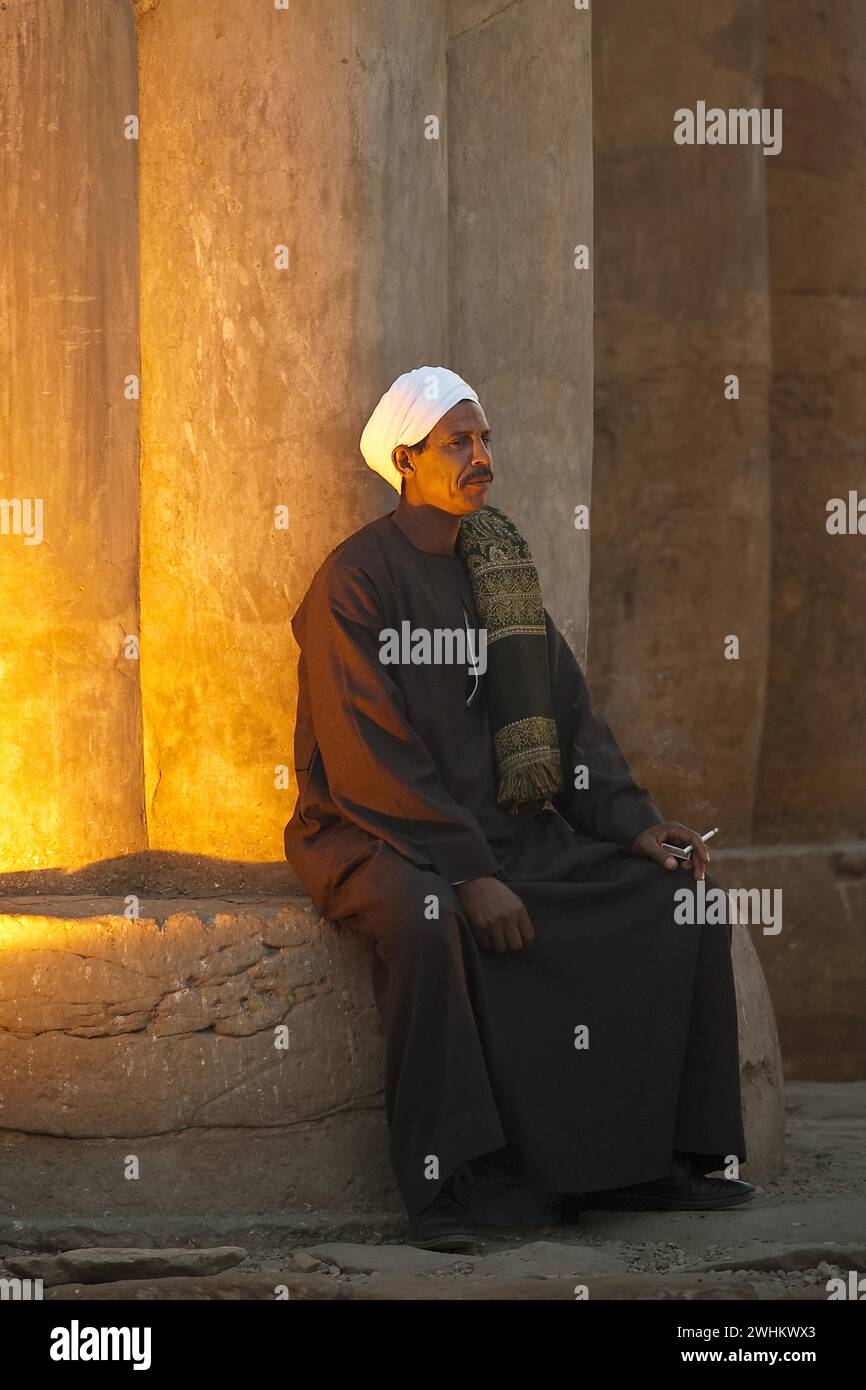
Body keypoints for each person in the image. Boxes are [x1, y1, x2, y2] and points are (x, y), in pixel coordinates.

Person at [284, 365, 754, 1253]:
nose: (481, 457)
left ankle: (657, 1160)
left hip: (502, 831)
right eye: (458, 442)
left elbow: (569, 721)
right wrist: (469, 873)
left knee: (679, 897)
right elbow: (369, 760)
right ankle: (449, 1188)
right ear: (405, 460)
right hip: (372, 833)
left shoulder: (499, 566)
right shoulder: (354, 581)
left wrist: (634, 824)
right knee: (427, 922)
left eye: (485, 439)